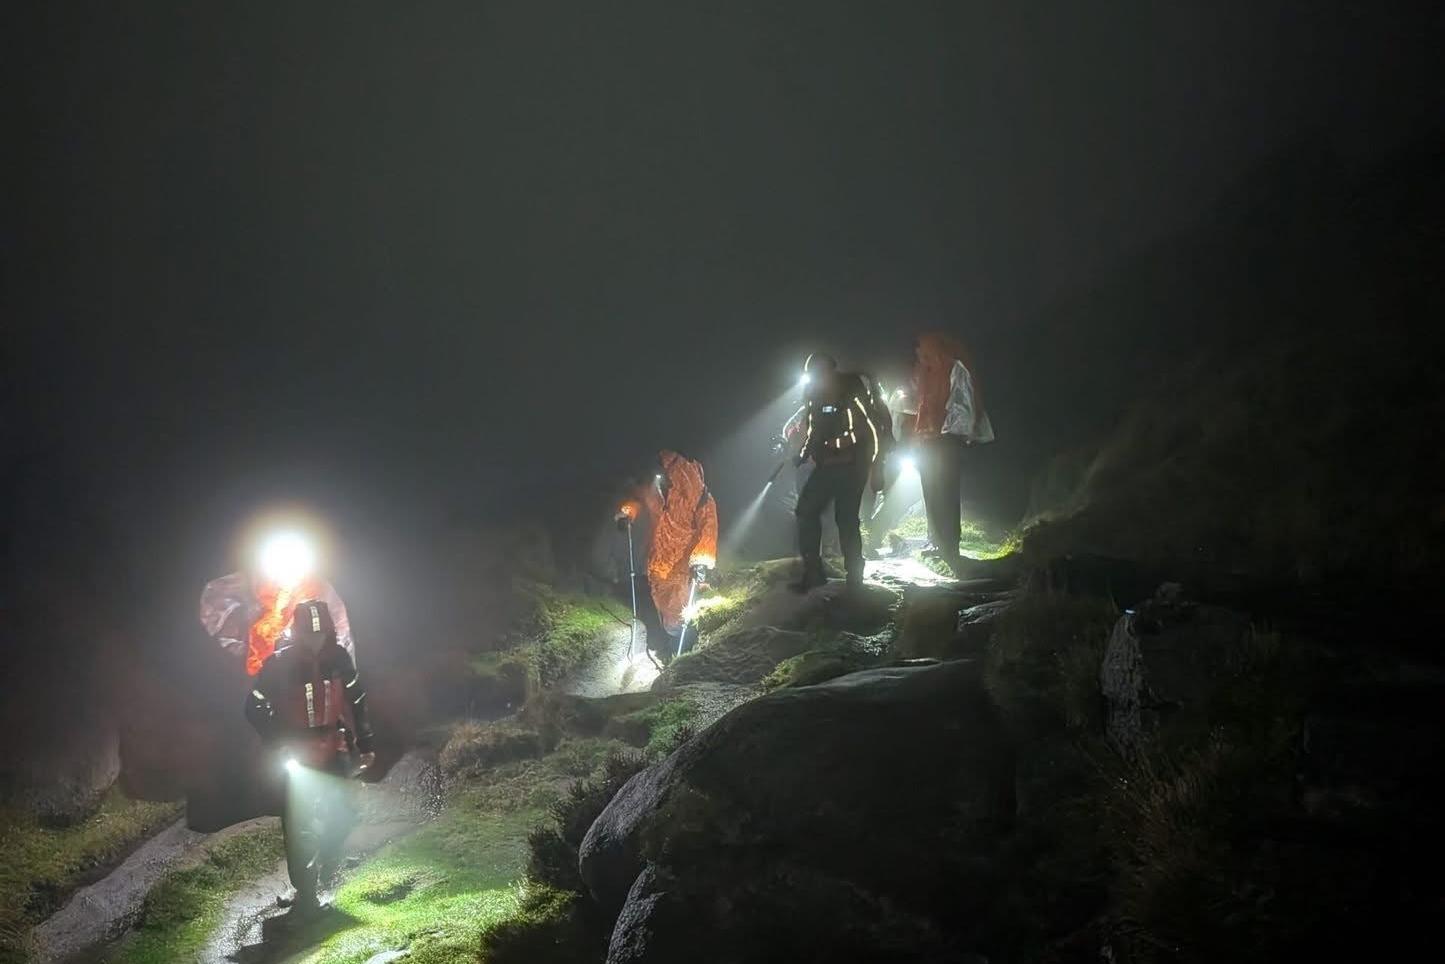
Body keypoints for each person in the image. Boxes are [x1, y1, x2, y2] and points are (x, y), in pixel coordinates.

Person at [245, 599, 375, 910]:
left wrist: (366, 741)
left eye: (321, 633)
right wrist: (278, 738)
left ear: (329, 631)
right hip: (296, 758)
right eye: (309, 634)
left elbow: (357, 698)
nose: (315, 640)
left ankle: (328, 869)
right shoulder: (278, 664)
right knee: (297, 825)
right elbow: (253, 705)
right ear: (298, 632)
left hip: (334, 749)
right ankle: (306, 894)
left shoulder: (340, 659)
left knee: (344, 814)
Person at [791, 352, 882, 591]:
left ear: (830, 370)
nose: (816, 378)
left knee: (847, 518)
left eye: (819, 373)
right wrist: (802, 454)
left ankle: (855, 575)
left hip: (853, 465)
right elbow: (813, 429)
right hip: (827, 465)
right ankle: (813, 572)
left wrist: (841, 445)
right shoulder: (814, 395)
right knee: (805, 511)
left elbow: (865, 428)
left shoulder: (851, 390)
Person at [912, 331, 995, 577]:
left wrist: (951, 434)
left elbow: (962, 402)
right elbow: (923, 404)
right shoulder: (926, 372)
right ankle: (941, 546)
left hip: (946, 441)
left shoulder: (954, 367)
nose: (920, 356)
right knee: (932, 493)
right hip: (929, 442)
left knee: (946, 493)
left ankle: (951, 548)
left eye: (923, 351)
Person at [640, 450, 719, 656]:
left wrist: (701, 560)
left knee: (679, 612)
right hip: (659, 563)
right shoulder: (657, 490)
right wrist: (626, 514)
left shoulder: (699, 496)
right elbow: (644, 506)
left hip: (682, 565)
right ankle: (673, 646)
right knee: (665, 609)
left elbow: (708, 527)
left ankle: (683, 651)